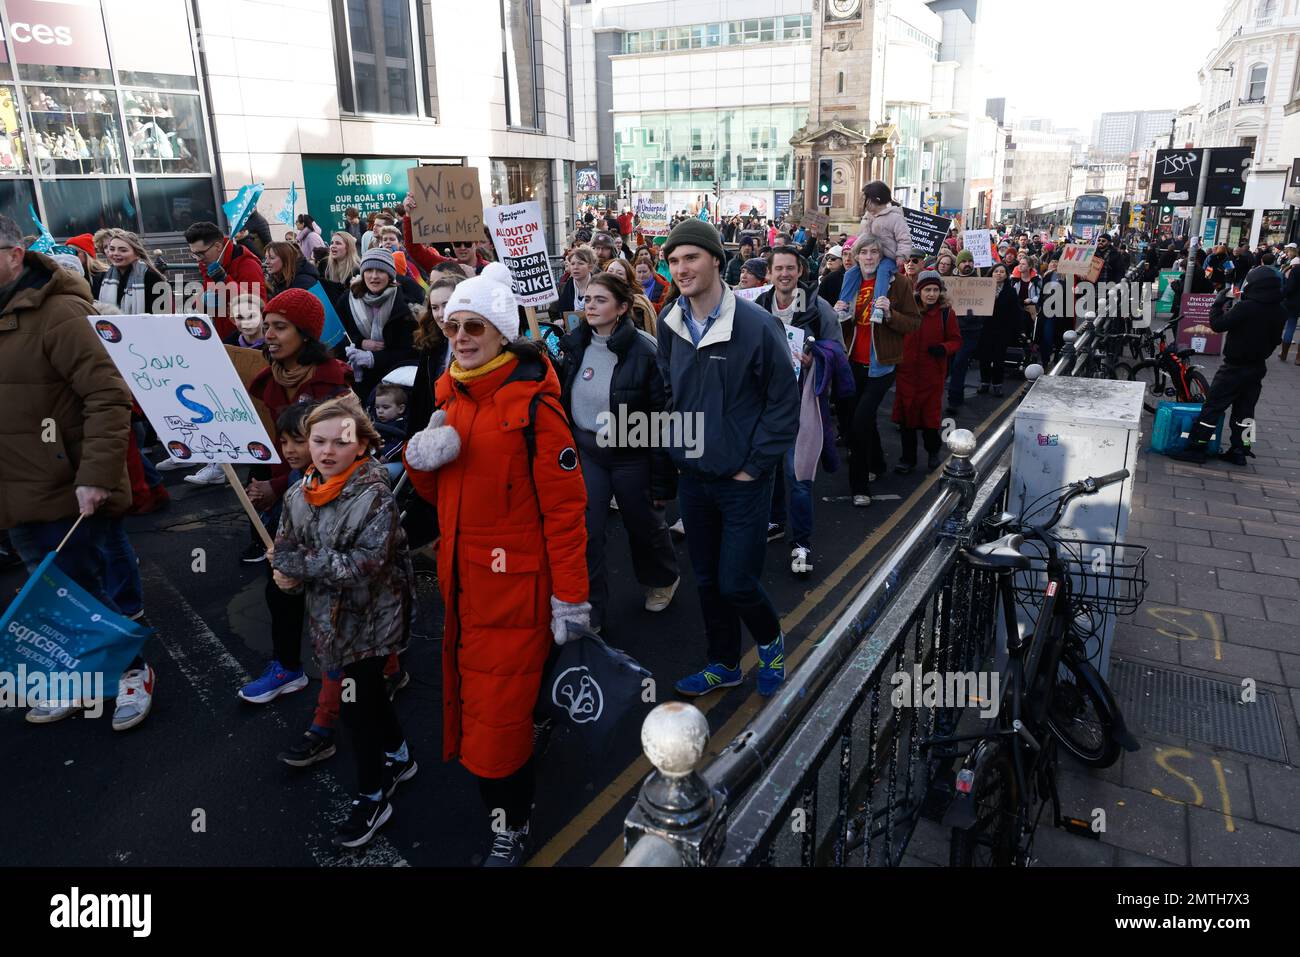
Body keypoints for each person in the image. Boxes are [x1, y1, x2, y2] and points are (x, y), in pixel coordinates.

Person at [403, 262, 589, 866]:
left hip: (517, 595)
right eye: (453, 325)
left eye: (474, 326)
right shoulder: (449, 397)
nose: (460, 336)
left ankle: (510, 825)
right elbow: (441, 504)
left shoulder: (537, 409)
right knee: (488, 708)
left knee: (493, 726)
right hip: (462, 587)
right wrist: (420, 466)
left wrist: (571, 599)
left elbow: (566, 513)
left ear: (501, 333)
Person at [0, 215, 153, 730]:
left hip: (67, 487)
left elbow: (108, 396)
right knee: (49, 596)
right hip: (15, 490)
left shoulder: (61, 312)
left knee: (88, 591)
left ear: (14, 255)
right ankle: (78, 681)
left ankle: (134, 673)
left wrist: (96, 475)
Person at [654, 219, 798, 698]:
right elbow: (668, 389)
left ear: (717, 259)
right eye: (673, 261)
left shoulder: (757, 325)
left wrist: (753, 465)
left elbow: (783, 402)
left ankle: (772, 644)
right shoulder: (669, 322)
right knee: (708, 579)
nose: (681, 268)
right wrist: (678, 447)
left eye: (691, 257)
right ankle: (723, 663)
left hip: (743, 482)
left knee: (738, 581)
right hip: (694, 478)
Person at [271, 394, 414, 848]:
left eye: (340, 442)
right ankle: (401, 755)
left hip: (375, 618)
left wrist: (300, 564)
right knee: (369, 696)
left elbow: (363, 565)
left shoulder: (375, 498)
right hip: (328, 619)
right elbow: (286, 546)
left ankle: (373, 796)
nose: (327, 451)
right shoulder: (297, 493)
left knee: (356, 707)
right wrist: (284, 575)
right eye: (318, 441)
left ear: (363, 446)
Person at [558, 270, 679, 630]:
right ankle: (592, 606)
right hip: (588, 453)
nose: (590, 306)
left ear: (622, 307)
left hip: (631, 453)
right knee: (587, 532)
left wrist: (662, 482)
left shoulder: (644, 350)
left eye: (600, 300)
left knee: (644, 526)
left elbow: (660, 418)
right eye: (588, 299)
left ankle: (662, 579)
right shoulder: (574, 342)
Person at [756, 246, 846, 576]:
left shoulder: (816, 308)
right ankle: (776, 521)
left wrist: (816, 359)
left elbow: (837, 352)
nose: (784, 274)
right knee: (769, 471)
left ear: (800, 272)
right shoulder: (759, 305)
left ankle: (802, 544)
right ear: (769, 273)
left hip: (801, 405)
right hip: (767, 407)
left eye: (790, 268)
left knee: (799, 477)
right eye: (778, 268)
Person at [834, 235, 922, 504]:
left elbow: (913, 323)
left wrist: (891, 314)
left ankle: (859, 487)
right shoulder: (849, 281)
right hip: (852, 364)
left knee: (859, 425)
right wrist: (836, 311)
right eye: (865, 252)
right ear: (856, 256)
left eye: (875, 252)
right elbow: (841, 324)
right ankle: (878, 464)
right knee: (861, 419)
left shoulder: (898, 283)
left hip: (881, 366)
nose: (870, 257)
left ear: (882, 256)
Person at [1172, 267, 1286, 466]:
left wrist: (1218, 304)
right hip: (1257, 367)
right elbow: (1276, 340)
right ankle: (1241, 449)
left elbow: (1218, 325)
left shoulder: (1246, 307)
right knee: (1246, 411)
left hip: (1234, 366)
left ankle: (1197, 447)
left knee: (1213, 407)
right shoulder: (1280, 310)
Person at [893, 272, 961, 472]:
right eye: (927, 290)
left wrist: (944, 348)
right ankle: (908, 458)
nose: (931, 294)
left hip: (932, 375)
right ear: (919, 291)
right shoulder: (906, 311)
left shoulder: (946, 313)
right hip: (907, 373)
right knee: (907, 420)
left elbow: (956, 340)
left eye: (935, 290)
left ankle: (933, 453)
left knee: (930, 419)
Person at [338, 247, 417, 397]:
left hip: (392, 386)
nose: (374, 276)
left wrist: (373, 358)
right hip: (356, 382)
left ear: (390, 275)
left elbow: (409, 351)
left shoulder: (404, 304)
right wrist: (360, 342)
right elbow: (339, 336)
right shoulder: (347, 300)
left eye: (380, 271)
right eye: (369, 271)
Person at [185, 220, 265, 340]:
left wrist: (223, 279)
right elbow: (207, 299)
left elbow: (256, 306)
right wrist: (201, 301)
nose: (197, 259)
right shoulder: (207, 264)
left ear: (217, 246)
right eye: (194, 254)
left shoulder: (248, 265)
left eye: (200, 254)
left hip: (246, 341)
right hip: (221, 336)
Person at [406, 274, 459, 436]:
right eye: (435, 308)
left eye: (446, 304)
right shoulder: (431, 344)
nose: (441, 314)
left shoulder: (479, 346)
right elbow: (419, 397)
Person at [857, 181, 913, 323]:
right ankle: (844, 305)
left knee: (882, 272)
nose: (865, 203)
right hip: (873, 255)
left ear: (876, 200)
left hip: (889, 258)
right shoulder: (869, 217)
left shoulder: (895, 217)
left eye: (867, 200)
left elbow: (904, 239)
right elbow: (864, 238)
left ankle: (878, 307)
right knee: (852, 272)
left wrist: (901, 256)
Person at [977, 263, 1024, 397]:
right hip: (985, 328)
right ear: (991, 273)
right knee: (984, 357)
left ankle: (997, 384)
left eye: (1002, 272)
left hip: (1002, 329)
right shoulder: (983, 289)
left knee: (999, 358)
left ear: (1006, 275)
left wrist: (1018, 330)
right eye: (996, 271)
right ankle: (985, 382)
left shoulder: (1011, 291)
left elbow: (1015, 312)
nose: (998, 274)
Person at [96, 230, 170, 313]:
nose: (115, 253)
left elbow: (163, 313)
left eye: (123, 250)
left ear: (137, 253)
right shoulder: (104, 277)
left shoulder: (151, 277)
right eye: (112, 249)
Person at [550, 244, 597, 328]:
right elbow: (553, 312)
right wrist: (557, 321)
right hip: (570, 336)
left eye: (580, 263)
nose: (575, 267)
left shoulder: (600, 286)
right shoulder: (563, 288)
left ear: (590, 266)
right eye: (572, 264)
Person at [321, 230, 360, 303]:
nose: (333, 246)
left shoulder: (356, 270)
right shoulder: (324, 264)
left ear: (348, 248)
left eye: (338, 243)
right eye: (332, 243)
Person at [372, 383, 408, 459]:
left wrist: (386, 454)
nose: (380, 411)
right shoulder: (375, 420)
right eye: (377, 407)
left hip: (390, 458)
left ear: (400, 409)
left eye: (385, 407)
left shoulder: (402, 424)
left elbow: (400, 443)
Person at [1282, 253, 1300, 362]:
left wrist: (1284, 296)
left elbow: (1290, 288)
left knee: (1290, 326)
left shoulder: (1296, 269)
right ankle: (1298, 358)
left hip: (1294, 302)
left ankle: (1284, 354)